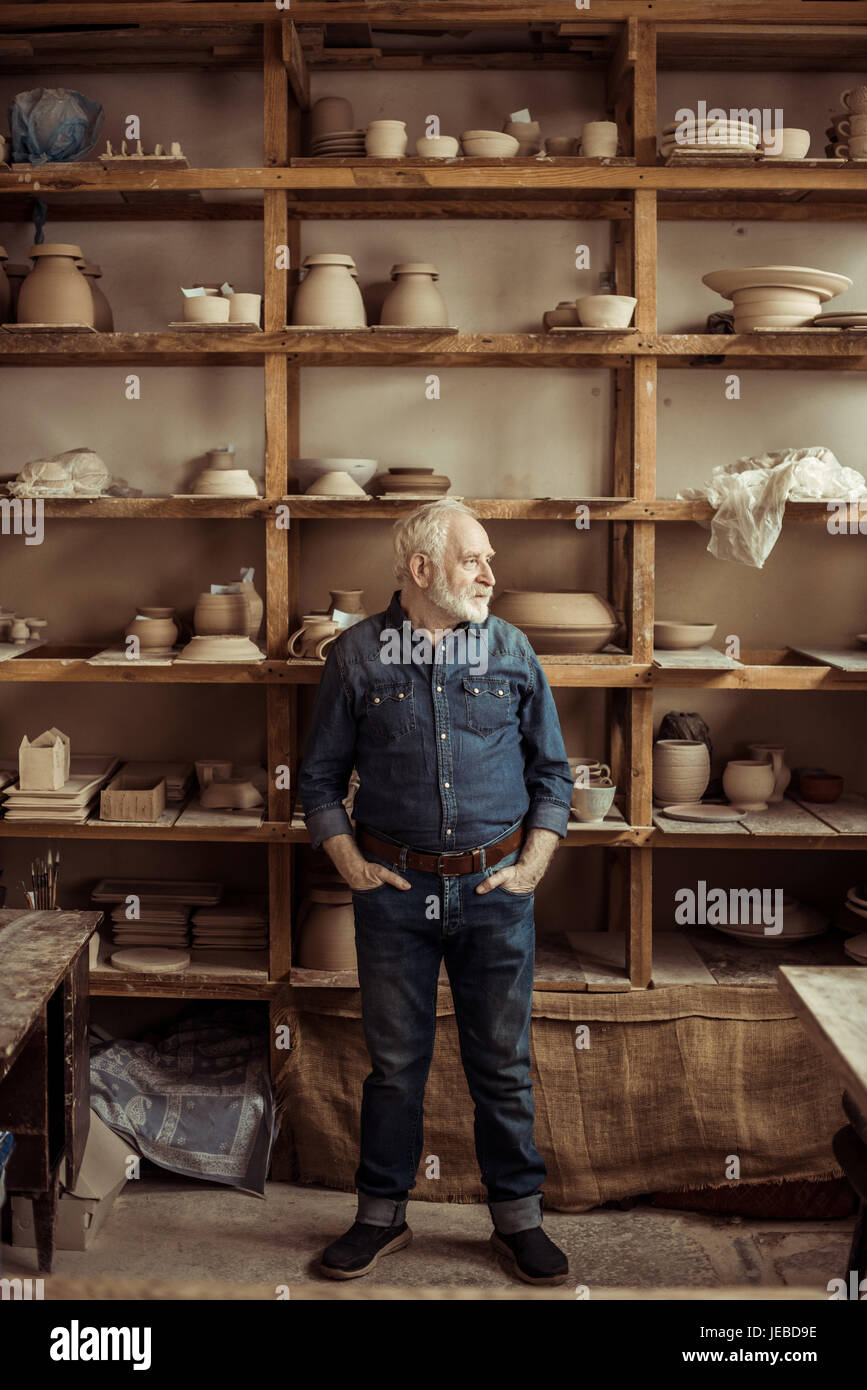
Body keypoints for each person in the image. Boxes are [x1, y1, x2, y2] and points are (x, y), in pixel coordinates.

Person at [297, 498, 574, 1285]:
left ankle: (517, 1223)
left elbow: (552, 777)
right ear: (421, 570)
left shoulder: (514, 650)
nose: (490, 573)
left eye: (488, 558)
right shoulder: (355, 656)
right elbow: (317, 780)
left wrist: (532, 866)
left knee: (502, 1065)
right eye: (472, 559)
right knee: (393, 1066)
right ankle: (380, 1219)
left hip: (495, 891)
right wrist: (348, 862)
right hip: (393, 892)